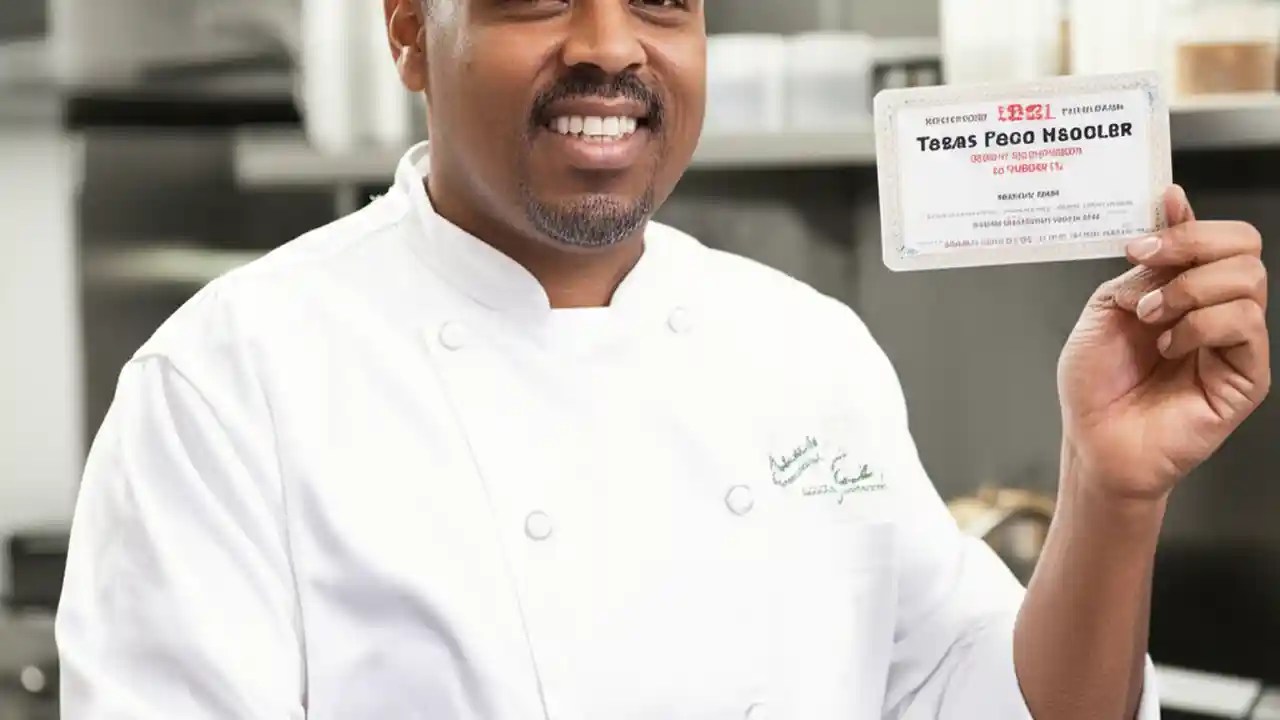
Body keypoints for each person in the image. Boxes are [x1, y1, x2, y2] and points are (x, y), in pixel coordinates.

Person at [56, 1, 1270, 718]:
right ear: (412, 35)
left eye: (660, 1)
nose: (608, 47)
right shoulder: (230, 386)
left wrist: (1110, 495)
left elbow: (996, 707)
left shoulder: (806, 347)